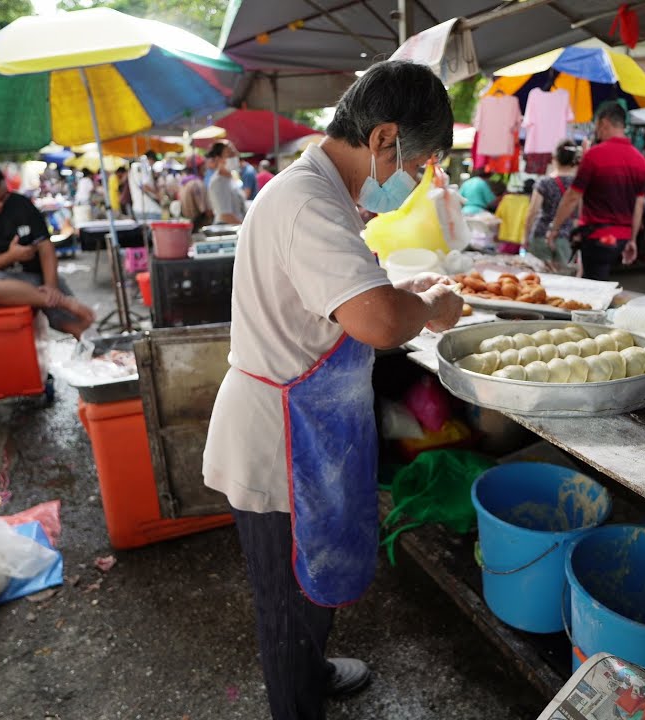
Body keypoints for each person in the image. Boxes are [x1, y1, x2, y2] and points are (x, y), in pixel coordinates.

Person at [203, 60, 461, 720]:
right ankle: (297, 701)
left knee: (309, 578)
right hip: (278, 435)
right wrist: (428, 308)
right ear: (383, 139)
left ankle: (311, 669)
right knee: (286, 600)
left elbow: (353, 298)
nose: (416, 181)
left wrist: (411, 294)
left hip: (308, 423)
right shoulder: (306, 203)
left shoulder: (326, 198)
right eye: (421, 162)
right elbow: (375, 321)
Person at [0, 161, 95, 338]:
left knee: (81, 324)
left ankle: (95, 347)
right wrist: (9, 256)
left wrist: (51, 286)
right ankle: (60, 302)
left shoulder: (20, 204)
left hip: (36, 278)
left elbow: (45, 247)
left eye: (3, 196)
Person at [545, 103, 645, 280]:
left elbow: (572, 196)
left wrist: (554, 229)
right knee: (601, 285)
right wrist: (632, 240)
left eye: (596, 125)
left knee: (590, 290)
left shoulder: (594, 156)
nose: (596, 131)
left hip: (597, 237)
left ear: (604, 123)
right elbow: (639, 204)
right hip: (622, 239)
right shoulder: (640, 161)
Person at [525, 139, 580, 270]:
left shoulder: (544, 182)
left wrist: (525, 236)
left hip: (541, 234)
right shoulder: (578, 184)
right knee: (562, 280)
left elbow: (532, 212)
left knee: (537, 278)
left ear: (554, 158)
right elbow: (580, 213)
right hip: (566, 237)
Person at [207, 141, 247, 224]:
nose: (234, 157)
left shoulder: (231, 178)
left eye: (235, 154)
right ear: (219, 159)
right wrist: (245, 229)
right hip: (226, 230)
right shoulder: (218, 182)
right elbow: (225, 215)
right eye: (230, 155)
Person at [129, 150, 164, 220]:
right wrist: (157, 194)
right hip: (147, 208)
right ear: (150, 159)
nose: (153, 164)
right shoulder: (142, 167)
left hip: (139, 207)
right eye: (153, 162)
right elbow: (144, 186)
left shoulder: (135, 168)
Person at [178, 164, 212, 229]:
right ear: (198, 169)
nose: (205, 171)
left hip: (188, 223)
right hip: (198, 225)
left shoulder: (184, 183)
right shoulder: (197, 184)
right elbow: (203, 209)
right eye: (203, 168)